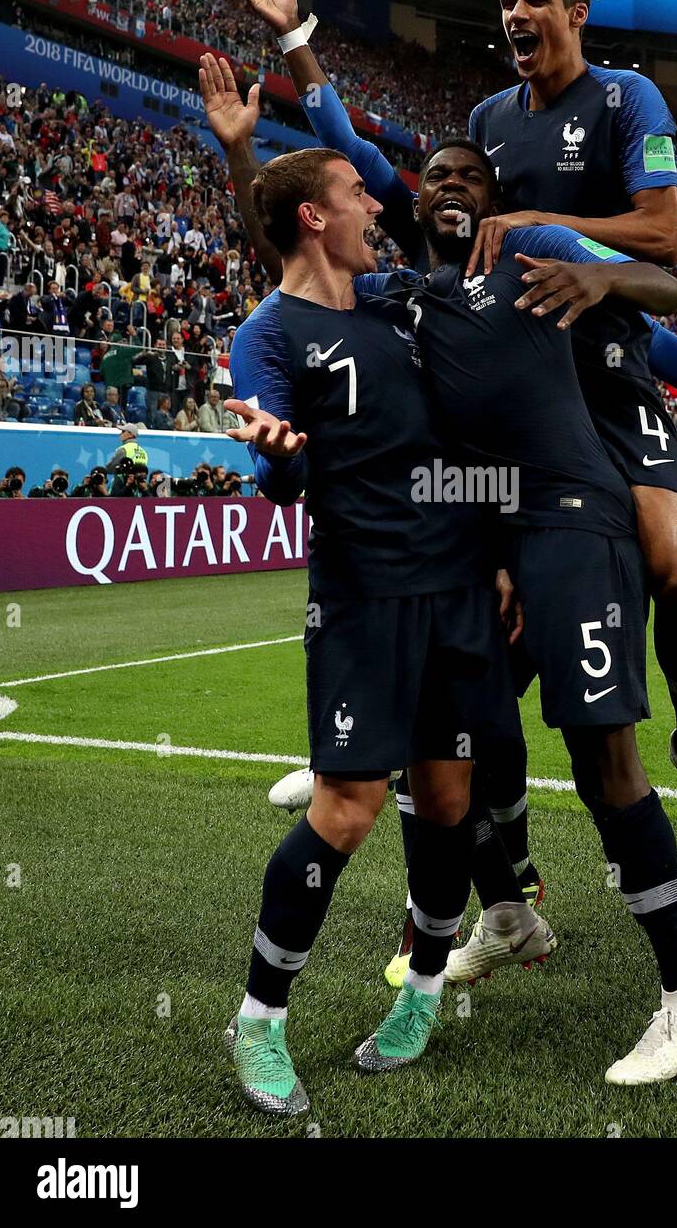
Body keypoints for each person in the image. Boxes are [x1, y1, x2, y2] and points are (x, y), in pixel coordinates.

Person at [225, 0, 677, 850]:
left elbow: (663, 247)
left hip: (609, 372)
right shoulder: (485, 128)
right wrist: (295, 42)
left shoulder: (628, 101)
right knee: (466, 603)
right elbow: (345, 174)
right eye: (504, 0)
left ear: (575, 13)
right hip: (513, 389)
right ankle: (371, 774)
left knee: (672, 563)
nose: (515, 13)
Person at [223, 145, 536, 1113]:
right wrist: (276, 458)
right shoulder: (268, 334)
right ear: (315, 217)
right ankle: (260, 1019)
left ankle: (425, 991)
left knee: (447, 802)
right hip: (362, 594)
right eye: (357, 194)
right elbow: (274, 467)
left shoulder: (397, 301)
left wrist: (499, 549)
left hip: (457, 590)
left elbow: (464, 427)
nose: (376, 204)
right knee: (346, 808)